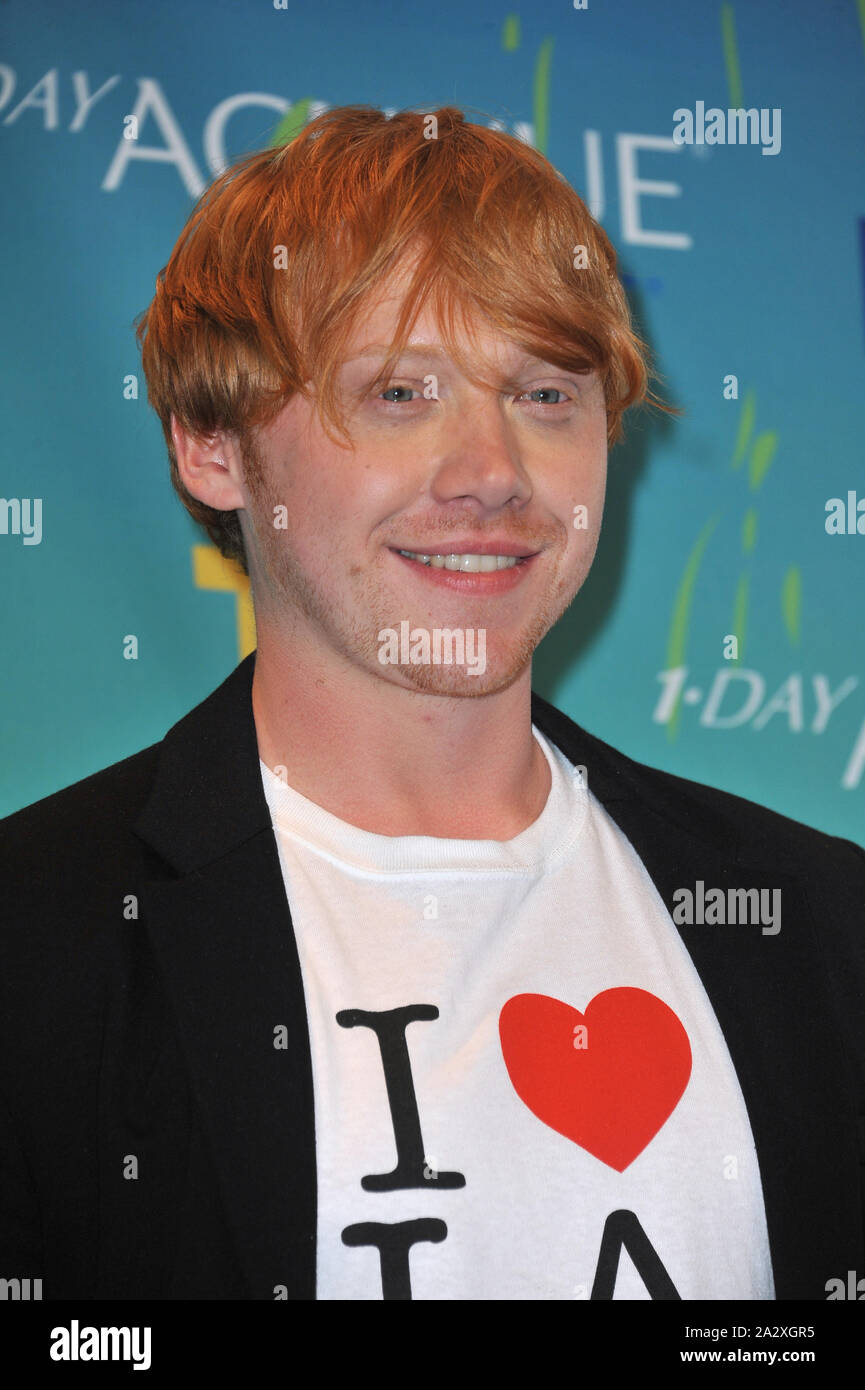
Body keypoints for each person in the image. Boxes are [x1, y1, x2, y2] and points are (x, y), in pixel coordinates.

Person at [1, 105, 863, 1303]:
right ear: (211, 443)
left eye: (547, 396)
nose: (494, 474)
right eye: (403, 391)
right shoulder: (37, 941)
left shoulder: (821, 924)